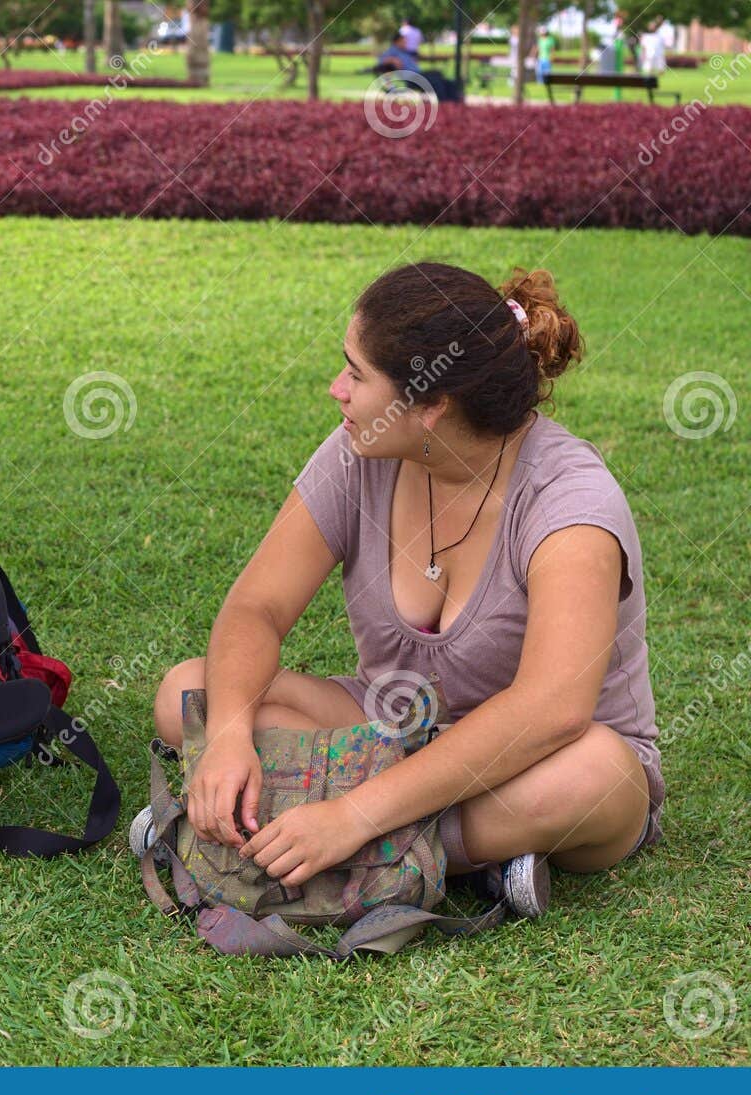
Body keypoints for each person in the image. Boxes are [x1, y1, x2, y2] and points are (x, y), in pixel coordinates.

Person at [154, 263, 661, 919]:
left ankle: (318, 843)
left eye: (357, 375)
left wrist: (352, 814)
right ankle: (472, 861)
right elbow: (258, 606)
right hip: (390, 728)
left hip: (537, 760)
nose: (336, 390)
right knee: (187, 695)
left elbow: (552, 710)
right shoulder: (357, 451)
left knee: (597, 773)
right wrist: (225, 737)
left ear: (428, 405)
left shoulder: (569, 503)